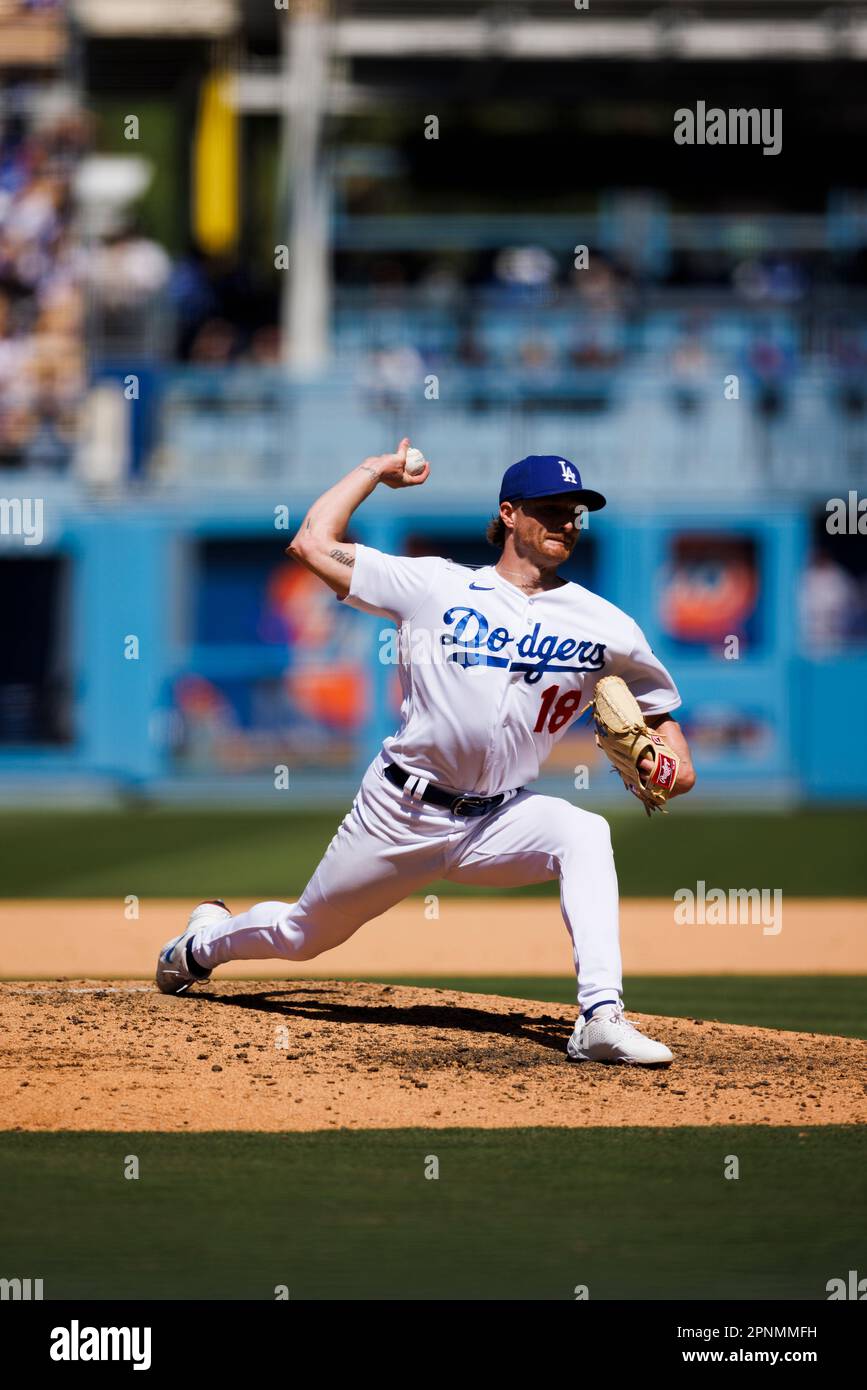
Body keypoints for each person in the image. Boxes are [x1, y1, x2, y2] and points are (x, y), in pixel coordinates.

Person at [156, 444, 696, 1066]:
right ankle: (200, 945)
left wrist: (675, 765)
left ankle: (601, 1016)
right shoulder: (434, 584)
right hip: (399, 810)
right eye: (551, 509)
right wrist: (371, 473)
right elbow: (310, 543)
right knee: (303, 935)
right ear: (510, 512)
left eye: (576, 511)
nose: (567, 522)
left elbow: (660, 715)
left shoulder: (606, 624)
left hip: (497, 818)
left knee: (585, 832)